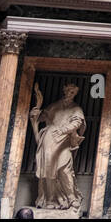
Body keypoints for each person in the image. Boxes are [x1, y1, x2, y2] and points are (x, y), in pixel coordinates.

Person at [29, 80, 86, 213]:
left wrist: (63, 130)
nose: (69, 94)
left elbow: (77, 122)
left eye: (72, 92)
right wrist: (35, 114)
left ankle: (71, 198)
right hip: (49, 138)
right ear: (64, 90)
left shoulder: (76, 109)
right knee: (48, 169)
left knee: (65, 169)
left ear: (75, 94)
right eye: (68, 91)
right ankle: (50, 199)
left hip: (63, 141)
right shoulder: (54, 106)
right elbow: (42, 117)